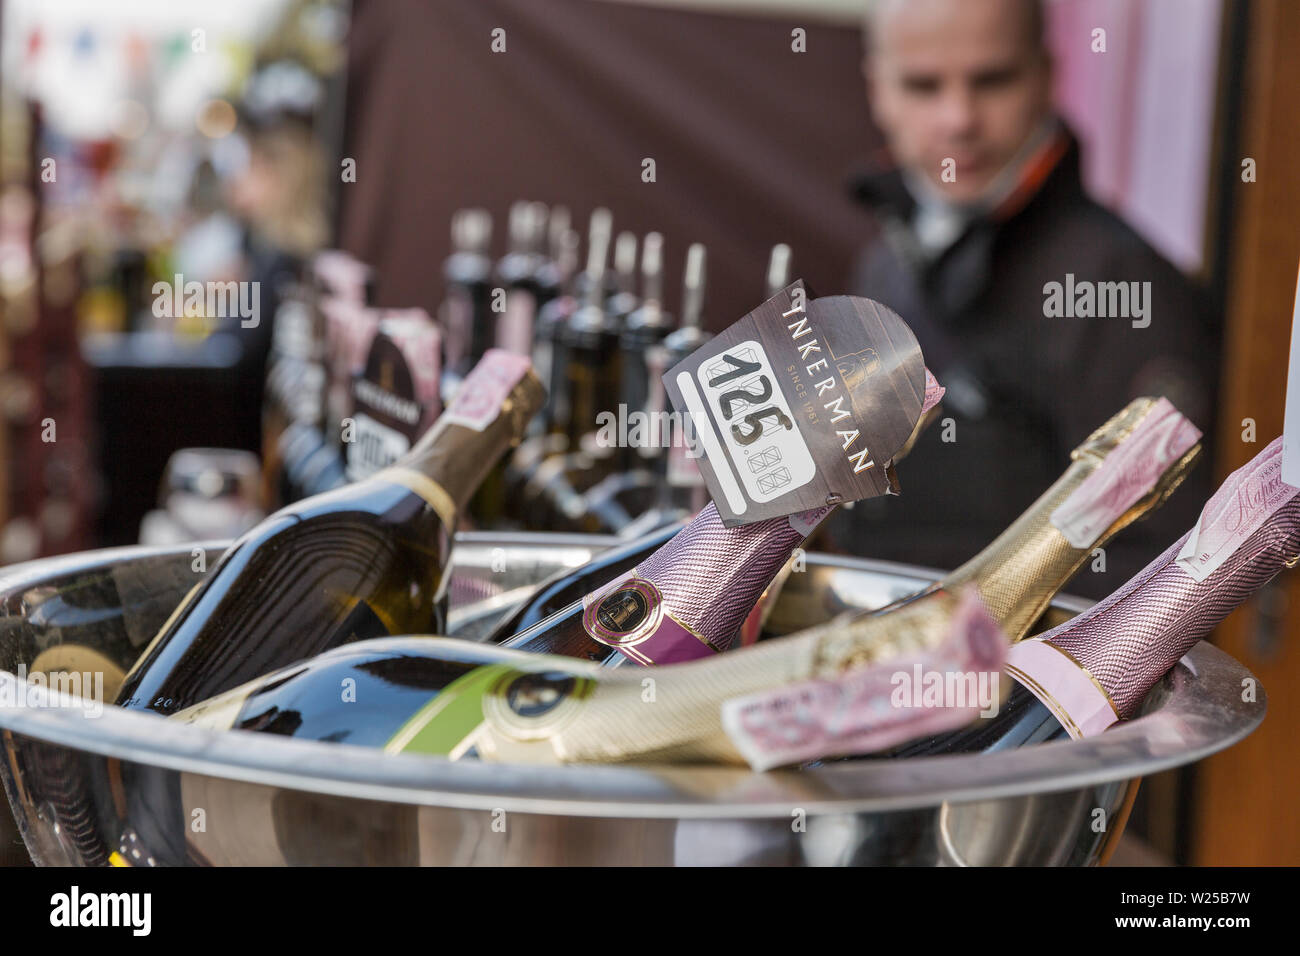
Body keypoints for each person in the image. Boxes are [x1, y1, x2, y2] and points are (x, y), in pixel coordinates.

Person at [831, 0, 1219, 599]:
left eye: (992, 80)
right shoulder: (885, 259)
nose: (959, 118)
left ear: (1045, 75)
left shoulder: (1120, 289)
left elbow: (1168, 572)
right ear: (878, 89)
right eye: (923, 85)